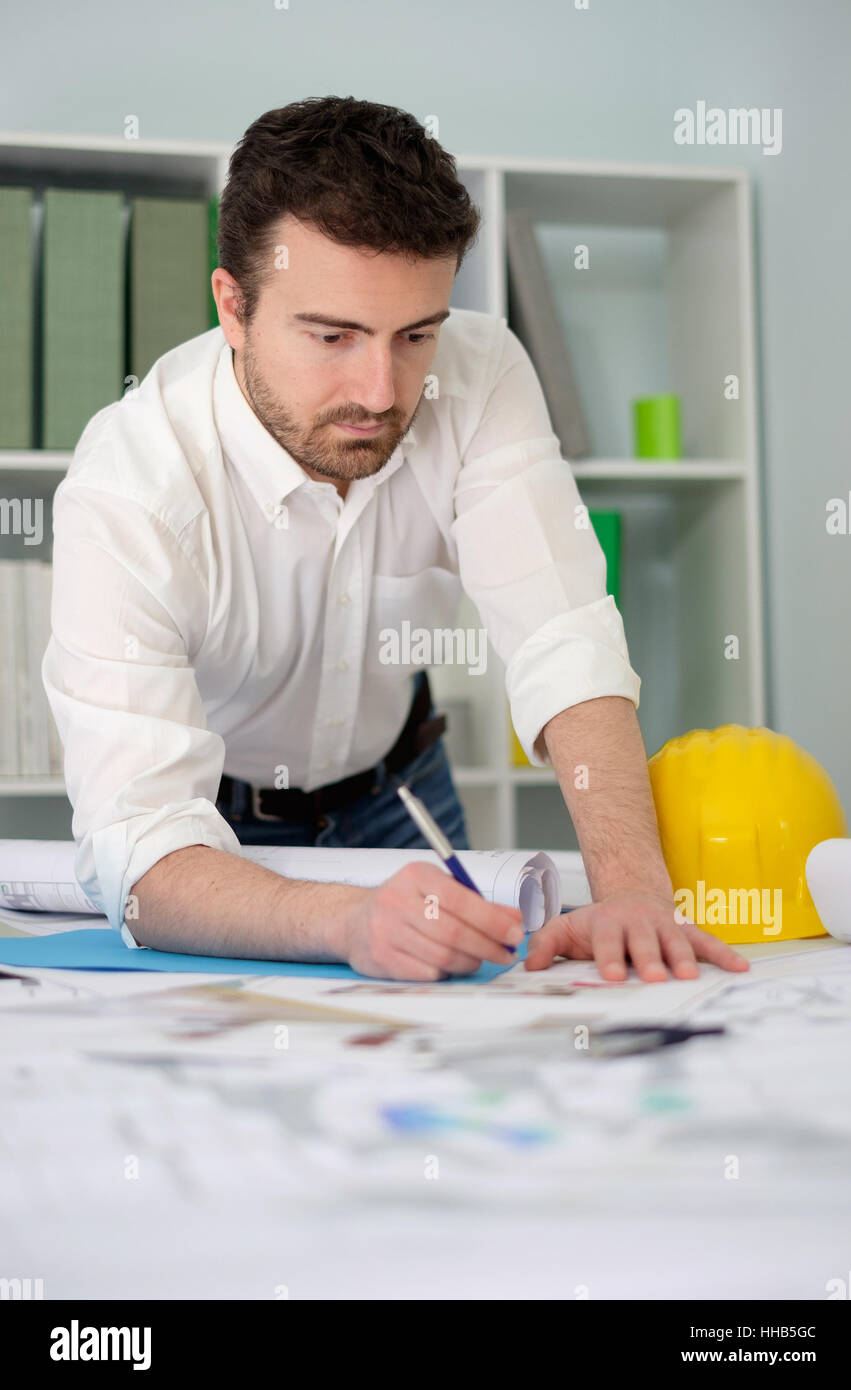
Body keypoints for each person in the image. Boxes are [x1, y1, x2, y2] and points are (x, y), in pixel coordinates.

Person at [44, 95, 749, 986]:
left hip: (401, 791)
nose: (380, 390)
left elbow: (559, 632)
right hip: (211, 838)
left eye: (414, 334)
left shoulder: (482, 371)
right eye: (332, 336)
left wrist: (635, 895)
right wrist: (348, 920)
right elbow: (141, 854)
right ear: (232, 305)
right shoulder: (130, 486)